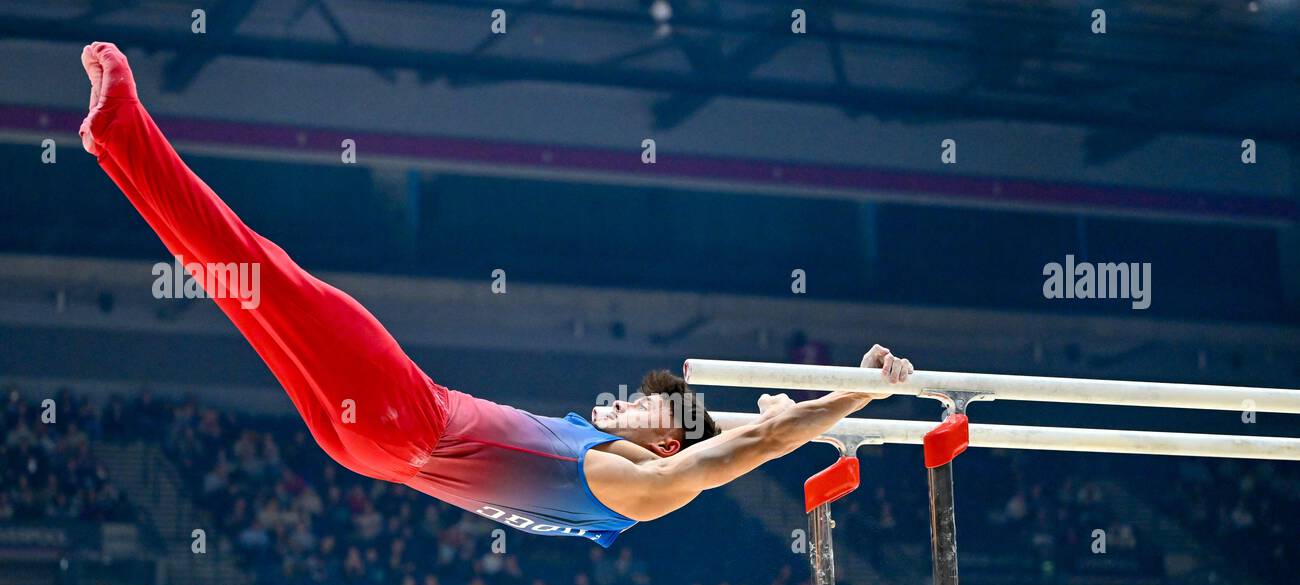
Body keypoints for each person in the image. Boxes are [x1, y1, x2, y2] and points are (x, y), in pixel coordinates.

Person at [77, 42, 914, 549]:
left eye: (641, 411)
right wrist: (799, 409)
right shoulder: (622, 457)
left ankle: (123, 131)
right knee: (241, 287)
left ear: (663, 447)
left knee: (262, 271)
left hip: (407, 419)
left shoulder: (641, 492)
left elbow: (743, 447)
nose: (620, 404)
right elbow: (737, 430)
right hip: (374, 444)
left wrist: (857, 390)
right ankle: (116, 142)